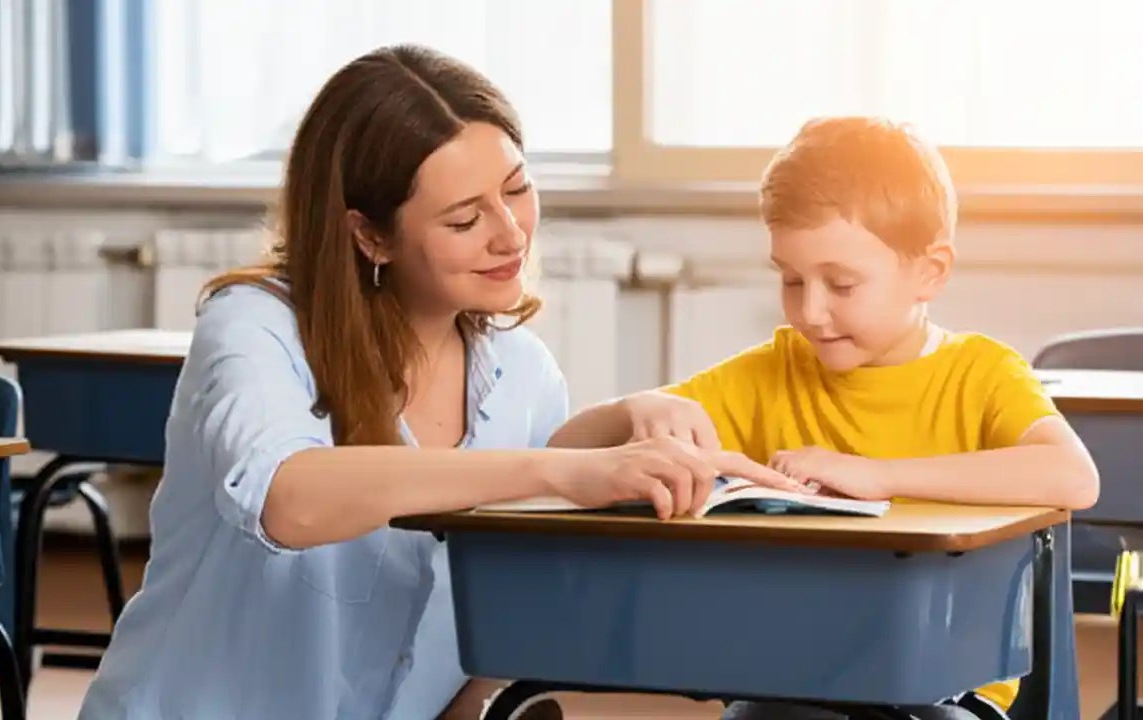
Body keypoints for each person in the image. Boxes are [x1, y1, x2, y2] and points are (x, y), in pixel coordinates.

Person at [76, 44, 790, 720]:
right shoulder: (255, 326)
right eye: (465, 218)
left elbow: (514, 579)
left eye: (518, 189)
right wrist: (562, 470)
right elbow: (287, 499)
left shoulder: (521, 371)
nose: (511, 233)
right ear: (370, 235)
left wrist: (630, 416)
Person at [551, 117, 1099, 719]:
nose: (810, 311)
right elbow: (560, 452)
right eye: (791, 280)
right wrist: (633, 408)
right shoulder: (771, 374)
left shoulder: (982, 373)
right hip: (794, 683)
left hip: (949, 691)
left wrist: (881, 476)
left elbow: (1073, 477)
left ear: (930, 272)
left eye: (841, 284)